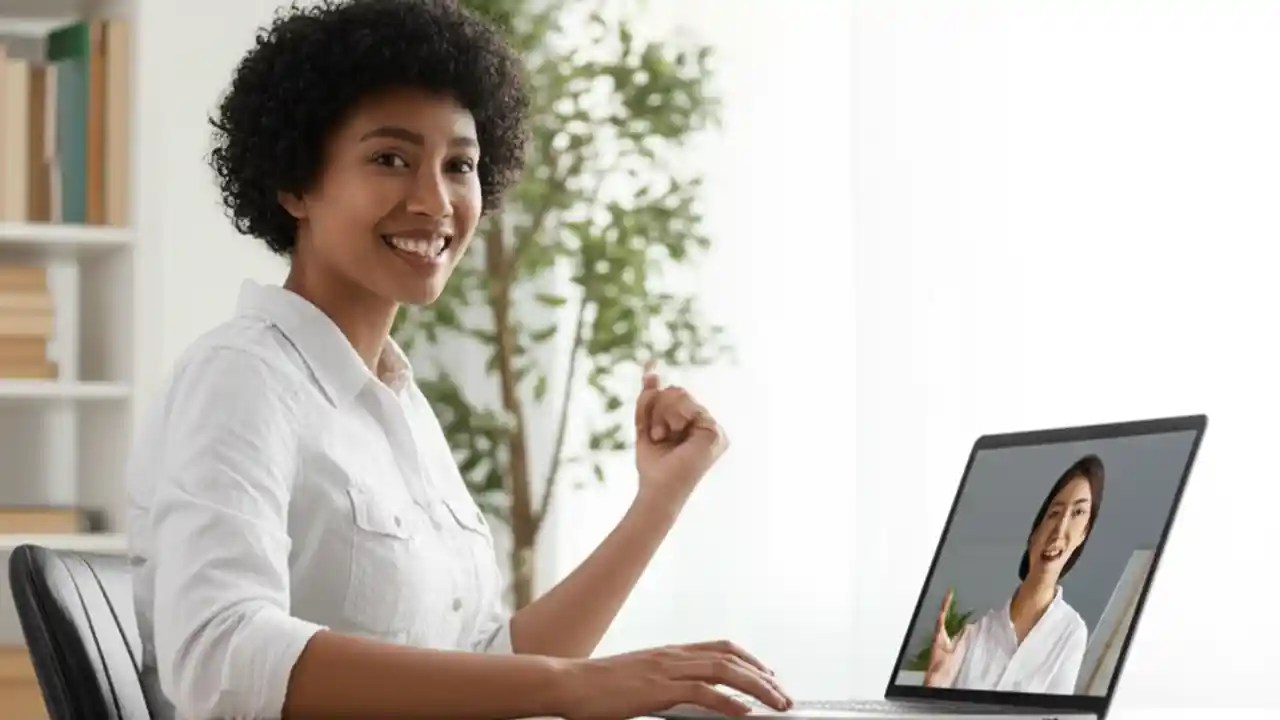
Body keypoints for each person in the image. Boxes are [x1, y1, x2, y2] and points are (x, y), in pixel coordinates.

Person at [124, 1, 793, 718]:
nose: (434, 200)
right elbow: (219, 653)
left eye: (460, 166)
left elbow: (489, 670)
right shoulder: (242, 377)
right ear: (296, 183)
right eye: (390, 159)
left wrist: (659, 499)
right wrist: (577, 686)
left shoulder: (398, 406)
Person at [922, 455, 1106, 694]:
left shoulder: (1070, 632)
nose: (1060, 529)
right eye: (1054, 513)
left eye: (1078, 512)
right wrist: (934, 685)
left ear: (1083, 534)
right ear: (1033, 536)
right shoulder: (974, 636)